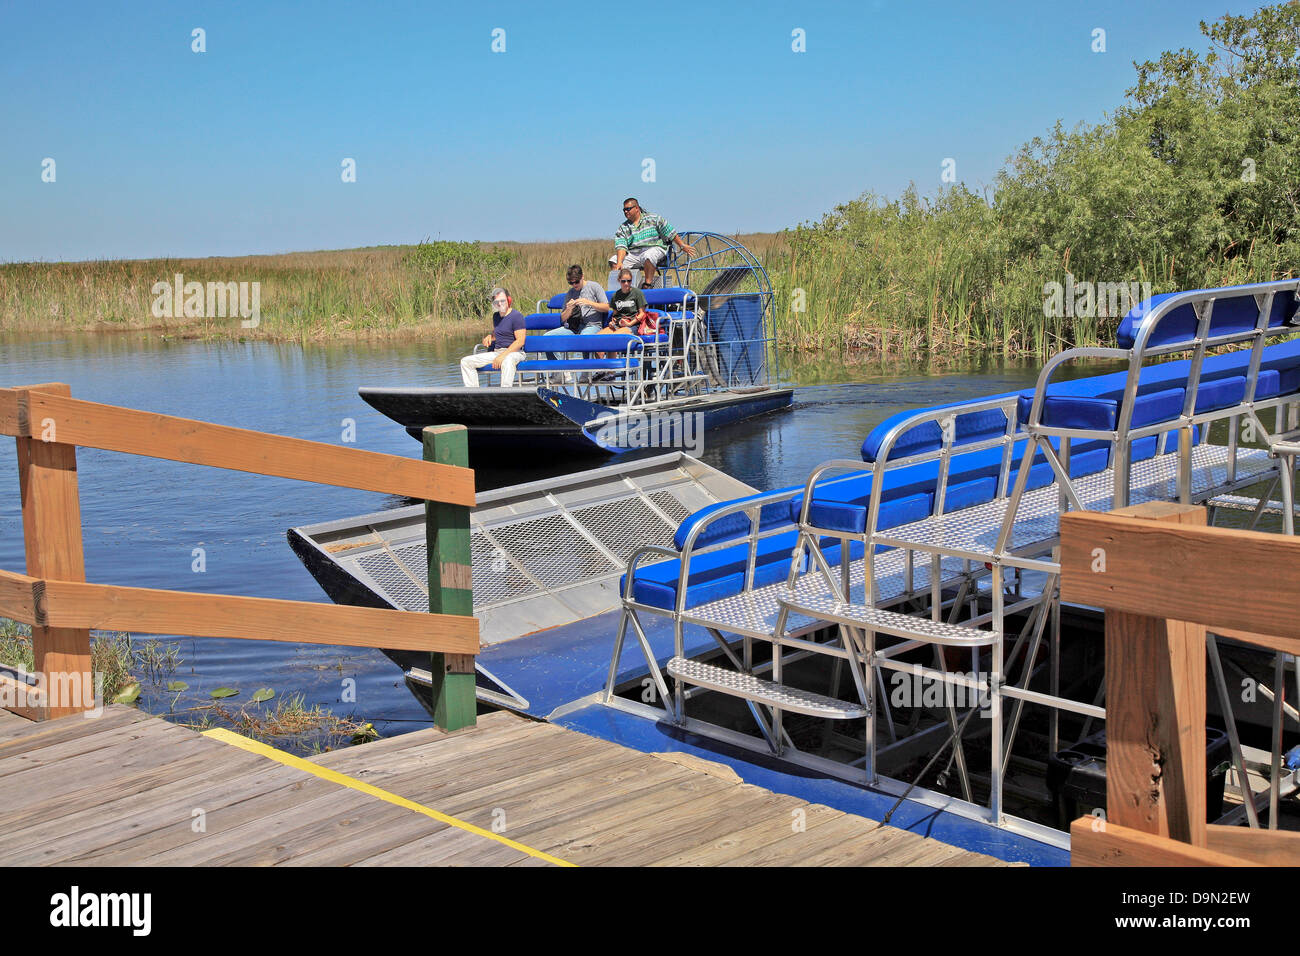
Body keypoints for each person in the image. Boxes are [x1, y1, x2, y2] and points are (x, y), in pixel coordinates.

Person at [610, 198, 696, 288]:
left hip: (655, 248)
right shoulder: (623, 227)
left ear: (637, 208)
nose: (626, 212)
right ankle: (624, 288)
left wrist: (682, 245)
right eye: (624, 210)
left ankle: (647, 284)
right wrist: (619, 262)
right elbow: (621, 246)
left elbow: (670, 232)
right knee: (614, 260)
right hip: (634, 253)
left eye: (628, 209)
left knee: (648, 255)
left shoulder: (654, 219)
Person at [460, 287, 527, 387]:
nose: (500, 304)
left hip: (515, 353)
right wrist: (490, 337)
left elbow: (520, 341)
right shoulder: (496, 316)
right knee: (466, 362)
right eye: (497, 302)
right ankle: (473, 393)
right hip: (497, 352)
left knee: (507, 360)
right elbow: (499, 332)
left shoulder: (517, 316)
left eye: (502, 301)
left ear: (509, 300)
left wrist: (502, 356)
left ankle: (505, 393)